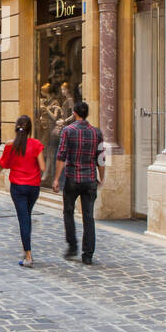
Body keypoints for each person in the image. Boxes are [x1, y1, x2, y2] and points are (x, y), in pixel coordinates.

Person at [0, 115, 45, 268]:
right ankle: (27, 251)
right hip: (33, 187)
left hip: (18, 187)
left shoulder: (10, 145)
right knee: (27, 216)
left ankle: (28, 255)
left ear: (16, 127)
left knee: (23, 219)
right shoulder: (36, 144)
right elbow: (43, 167)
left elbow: (3, 165)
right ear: (30, 129)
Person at [53, 100, 104, 265]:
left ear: (74, 113)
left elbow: (61, 156)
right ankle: (88, 254)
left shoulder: (68, 131)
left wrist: (55, 179)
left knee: (68, 212)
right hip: (90, 179)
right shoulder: (97, 133)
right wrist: (101, 177)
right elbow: (101, 158)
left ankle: (72, 246)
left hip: (72, 179)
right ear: (87, 114)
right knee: (89, 217)